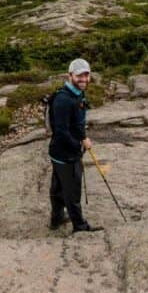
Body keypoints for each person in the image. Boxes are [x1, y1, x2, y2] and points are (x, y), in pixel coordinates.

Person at [48, 58, 101, 233]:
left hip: (57, 152)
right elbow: (61, 131)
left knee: (58, 187)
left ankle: (56, 218)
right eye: (79, 76)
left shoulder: (77, 93)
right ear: (70, 75)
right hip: (66, 154)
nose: (83, 79)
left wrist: (83, 136)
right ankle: (80, 226)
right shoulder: (63, 100)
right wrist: (79, 144)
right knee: (72, 192)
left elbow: (76, 123)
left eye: (86, 75)